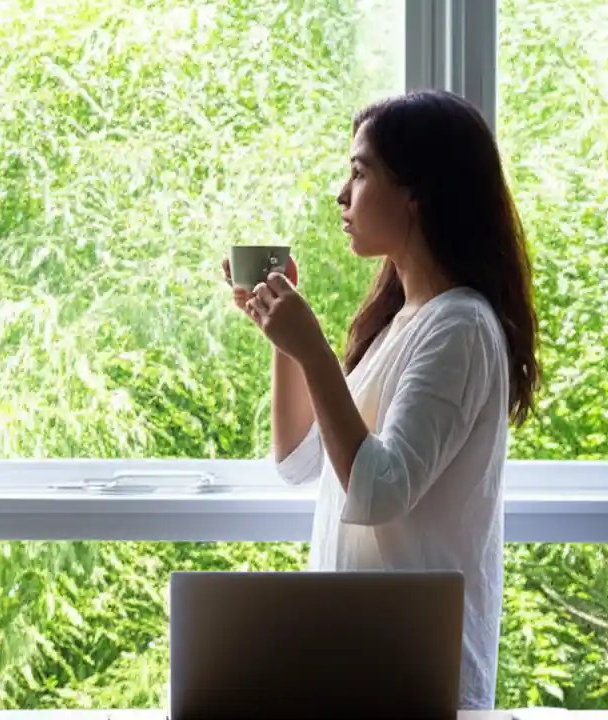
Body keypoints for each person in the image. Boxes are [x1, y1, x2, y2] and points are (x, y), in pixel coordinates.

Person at [221, 89, 540, 709]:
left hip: (414, 672)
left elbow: (379, 491)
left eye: (361, 172)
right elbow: (299, 462)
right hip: (359, 656)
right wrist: (283, 340)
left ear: (416, 193)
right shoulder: (400, 321)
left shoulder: (461, 327)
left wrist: (313, 348)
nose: (342, 194)